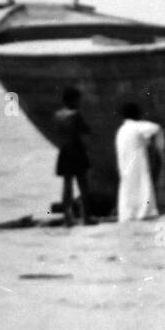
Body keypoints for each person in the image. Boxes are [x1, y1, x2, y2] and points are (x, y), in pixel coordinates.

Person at [115, 102, 164, 222]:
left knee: (128, 188)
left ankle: (129, 213)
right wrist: (158, 149)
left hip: (125, 165)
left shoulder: (122, 130)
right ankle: (144, 212)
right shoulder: (137, 126)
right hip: (137, 162)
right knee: (142, 185)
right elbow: (156, 128)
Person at [53, 87, 94, 226]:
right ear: (72, 100)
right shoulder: (76, 114)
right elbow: (86, 130)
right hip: (77, 151)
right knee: (84, 185)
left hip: (64, 151)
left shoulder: (58, 115)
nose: (79, 102)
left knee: (67, 185)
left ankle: (67, 218)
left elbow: (58, 132)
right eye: (78, 99)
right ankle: (86, 217)